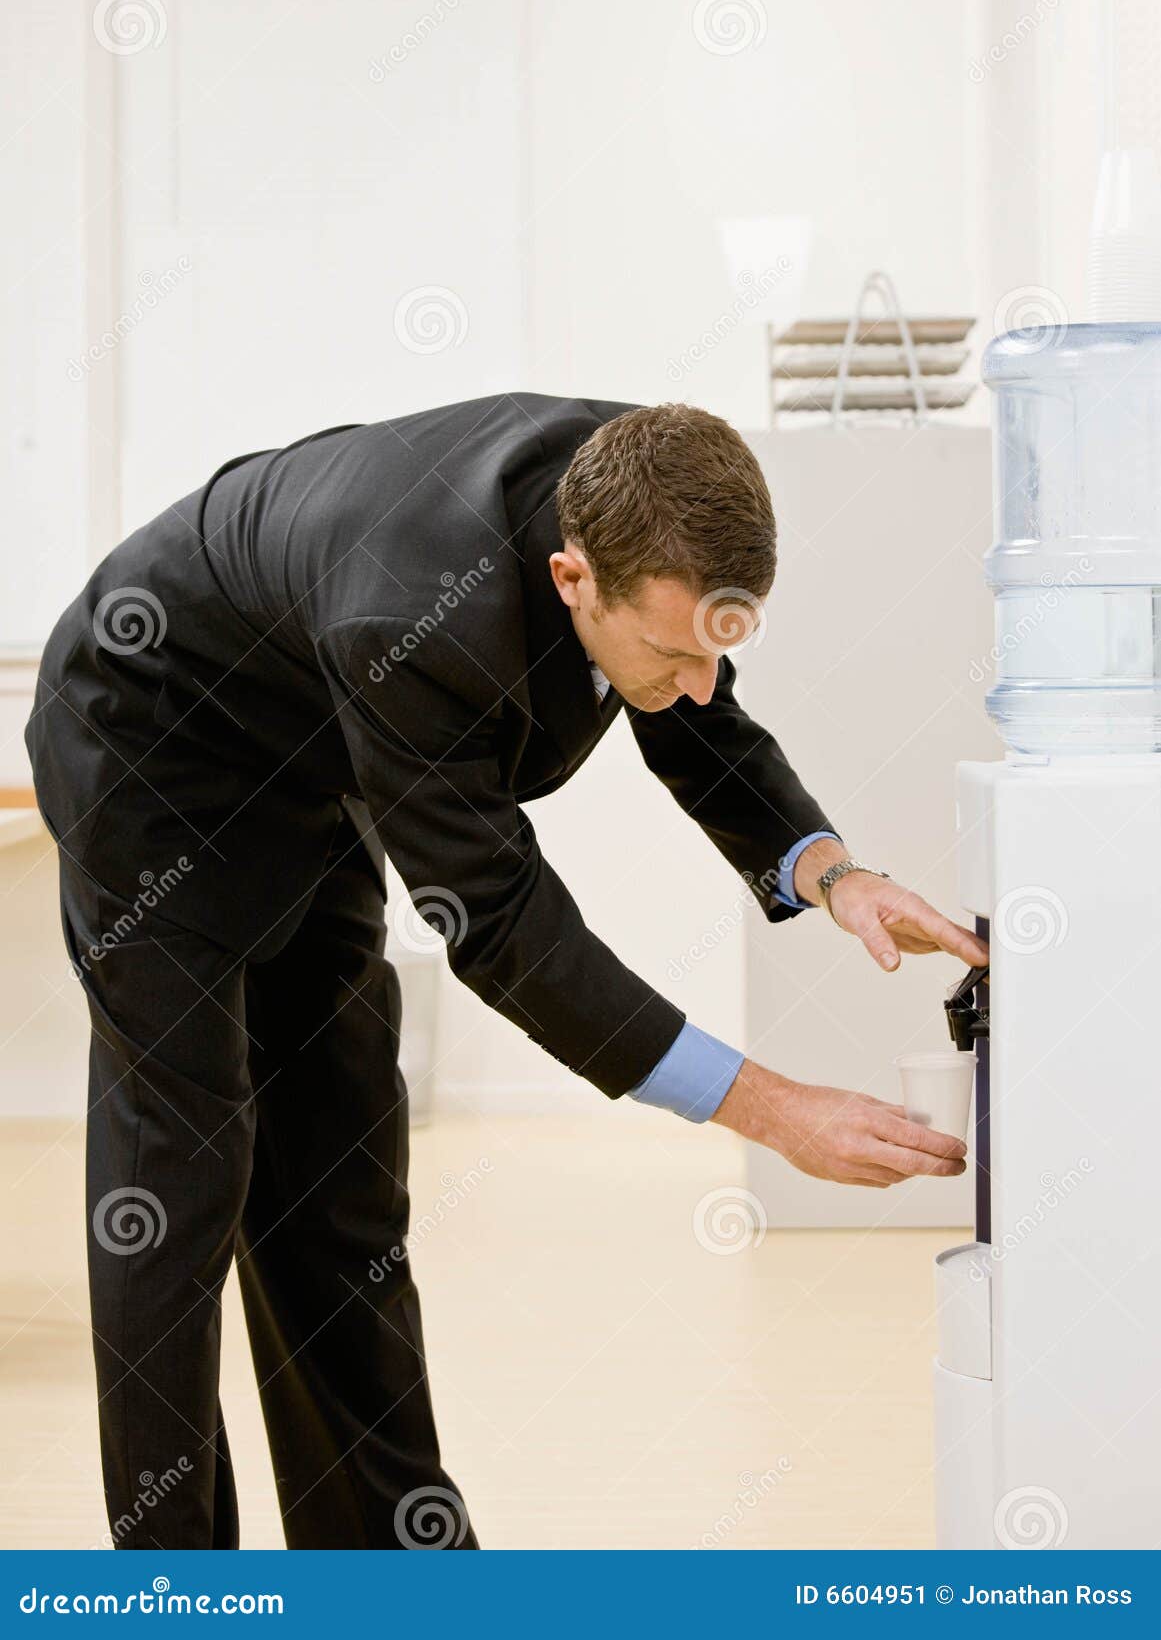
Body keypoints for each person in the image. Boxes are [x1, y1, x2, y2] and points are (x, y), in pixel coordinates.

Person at [27, 394, 987, 1550]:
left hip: (316, 757)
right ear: (572, 577)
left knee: (337, 1177)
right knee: (179, 1173)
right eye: (674, 651)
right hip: (151, 749)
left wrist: (836, 874)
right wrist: (771, 1110)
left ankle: (388, 1571)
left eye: (717, 647)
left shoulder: (651, 487)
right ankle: (170, 1588)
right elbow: (501, 924)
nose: (696, 680)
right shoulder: (417, 614)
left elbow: (693, 710)